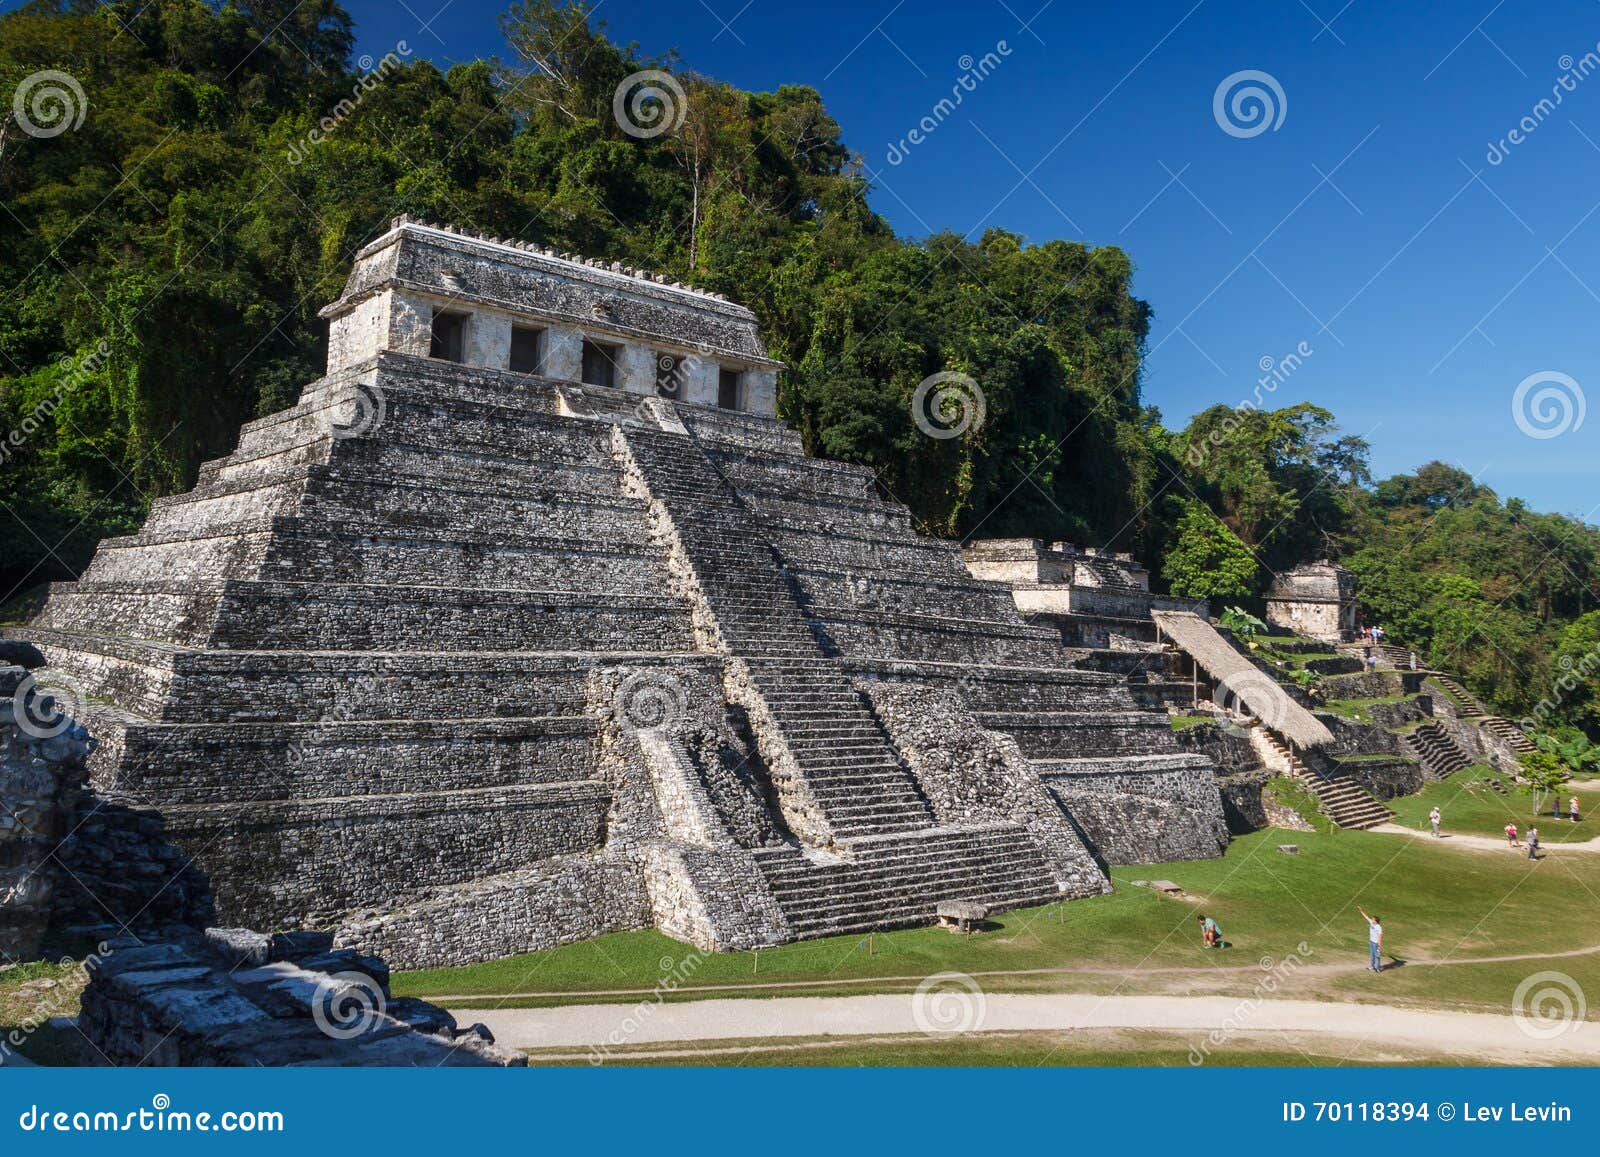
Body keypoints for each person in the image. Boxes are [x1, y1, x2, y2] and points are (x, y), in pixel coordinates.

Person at [1359, 907, 1383, 972]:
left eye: (1373, 919)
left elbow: (1380, 936)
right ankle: (1372, 966)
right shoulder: (1372, 923)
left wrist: (1379, 946)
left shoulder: (1379, 927)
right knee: (1372, 955)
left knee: (1377, 956)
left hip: (1376, 944)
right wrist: (1361, 911)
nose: (1371, 920)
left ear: (1375, 921)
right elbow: (1366, 917)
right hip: (1371, 942)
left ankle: (1377, 968)